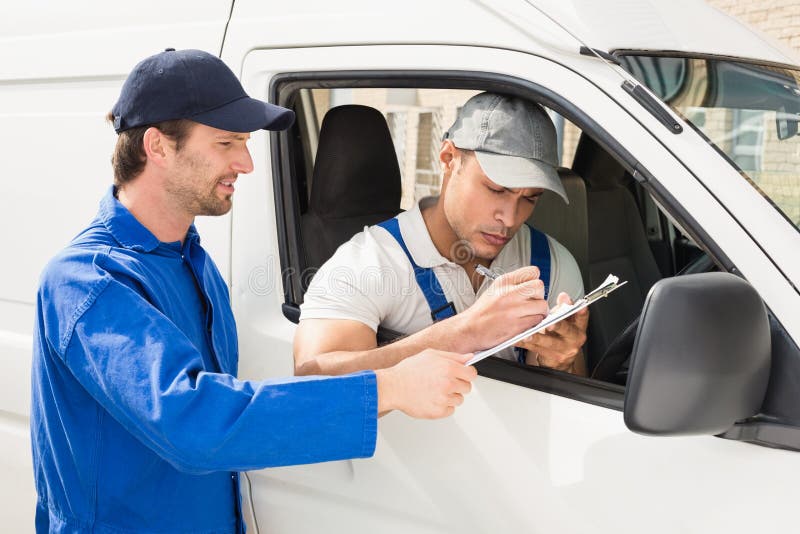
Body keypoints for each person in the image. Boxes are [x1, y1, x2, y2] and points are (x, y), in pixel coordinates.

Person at [30, 49, 477, 534]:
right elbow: (194, 424)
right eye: (227, 143)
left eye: (244, 143)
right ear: (157, 147)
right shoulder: (88, 281)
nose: (245, 163)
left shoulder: (192, 262)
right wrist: (390, 387)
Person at [294, 92, 589, 377]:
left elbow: (581, 396)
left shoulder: (552, 264)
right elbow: (312, 386)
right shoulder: (370, 261)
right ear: (449, 159)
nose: (510, 218)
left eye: (530, 198)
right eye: (497, 189)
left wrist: (560, 362)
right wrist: (465, 332)